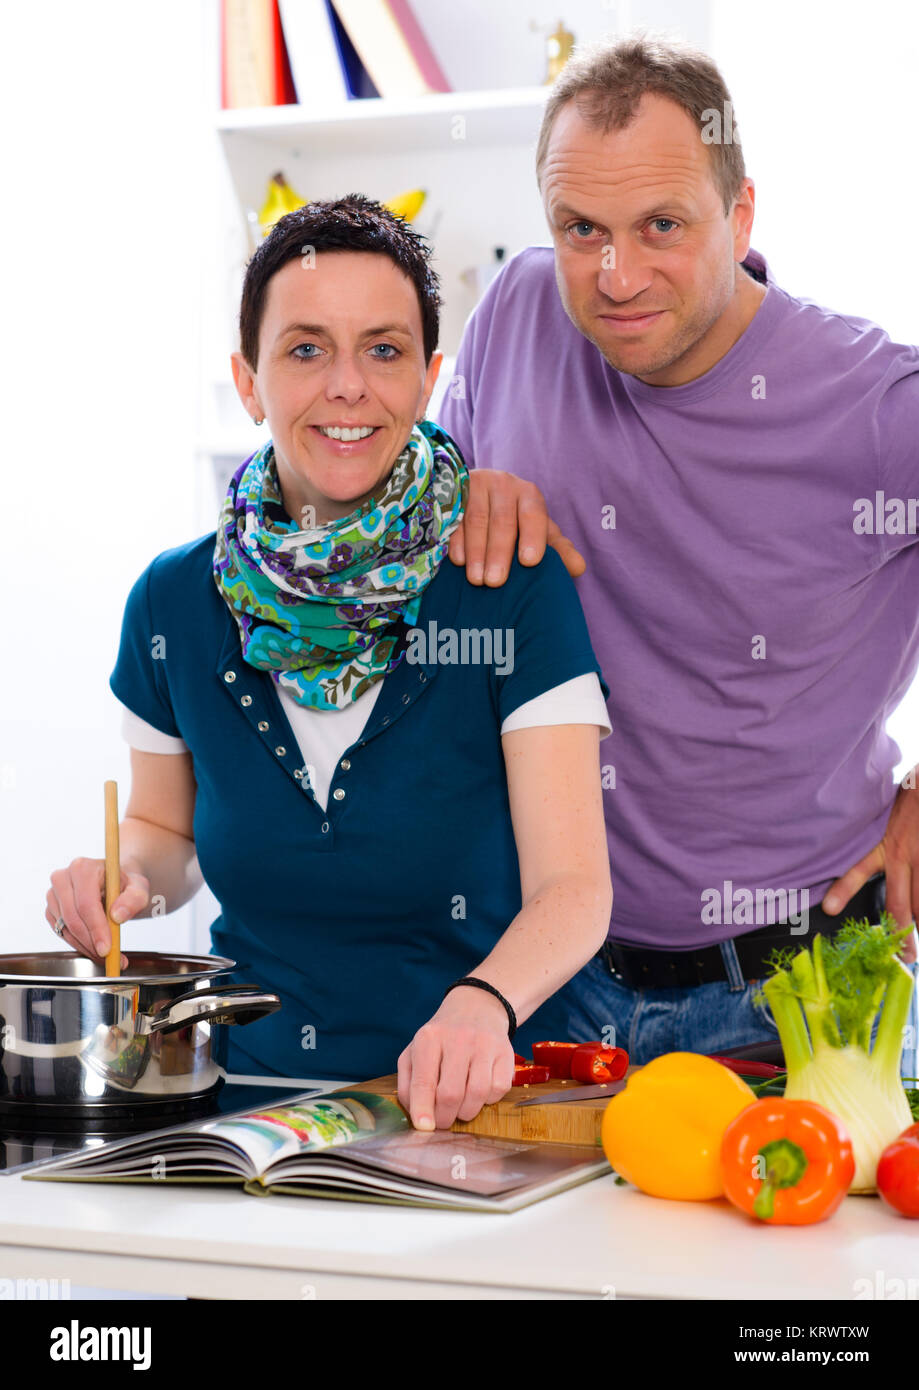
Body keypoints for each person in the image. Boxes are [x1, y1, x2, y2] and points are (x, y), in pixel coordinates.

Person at [44, 194, 614, 1131]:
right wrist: (124, 878)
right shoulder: (172, 604)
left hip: (479, 1105)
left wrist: (483, 1003)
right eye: (306, 348)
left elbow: (574, 888)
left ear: (428, 378)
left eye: (383, 350)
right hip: (250, 1111)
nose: (347, 385)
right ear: (248, 379)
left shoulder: (507, 582)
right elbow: (163, 830)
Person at [435, 32, 919, 1072]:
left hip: (797, 994)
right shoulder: (515, 311)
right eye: (580, 229)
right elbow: (423, 542)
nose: (616, 275)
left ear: (741, 214)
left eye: (662, 225)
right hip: (550, 981)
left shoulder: (876, 406)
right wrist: (455, 500)